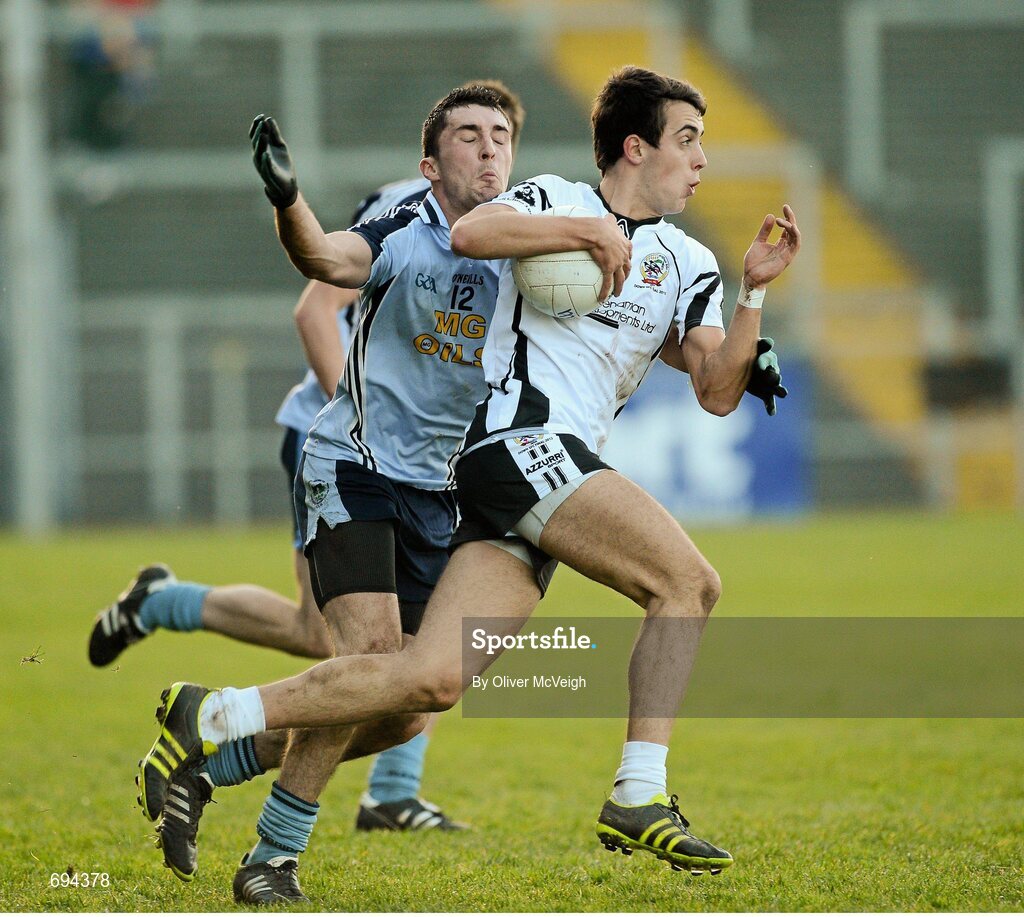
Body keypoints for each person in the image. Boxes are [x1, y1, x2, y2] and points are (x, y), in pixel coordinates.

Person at [137, 67, 795, 902]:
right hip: (496, 448)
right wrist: (585, 232)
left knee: (424, 689)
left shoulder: (687, 259)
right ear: (638, 146)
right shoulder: (535, 202)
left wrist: (756, 296)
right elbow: (466, 236)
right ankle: (636, 792)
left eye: (500, 137)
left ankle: (214, 725)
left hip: (483, 484)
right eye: (689, 139)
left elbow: (715, 387)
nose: (702, 160)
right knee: (688, 581)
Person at [93, 82, 524, 882]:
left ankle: (206, 754)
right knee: (360, 659)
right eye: (468, 134)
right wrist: (288, 198)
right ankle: (272, 859)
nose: (489, 146)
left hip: (442, 493)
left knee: (405, 703)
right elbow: (324, 261)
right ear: (430, 164)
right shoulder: (404, 221)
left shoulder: (532, 240)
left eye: (500, 134)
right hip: (352, 464)